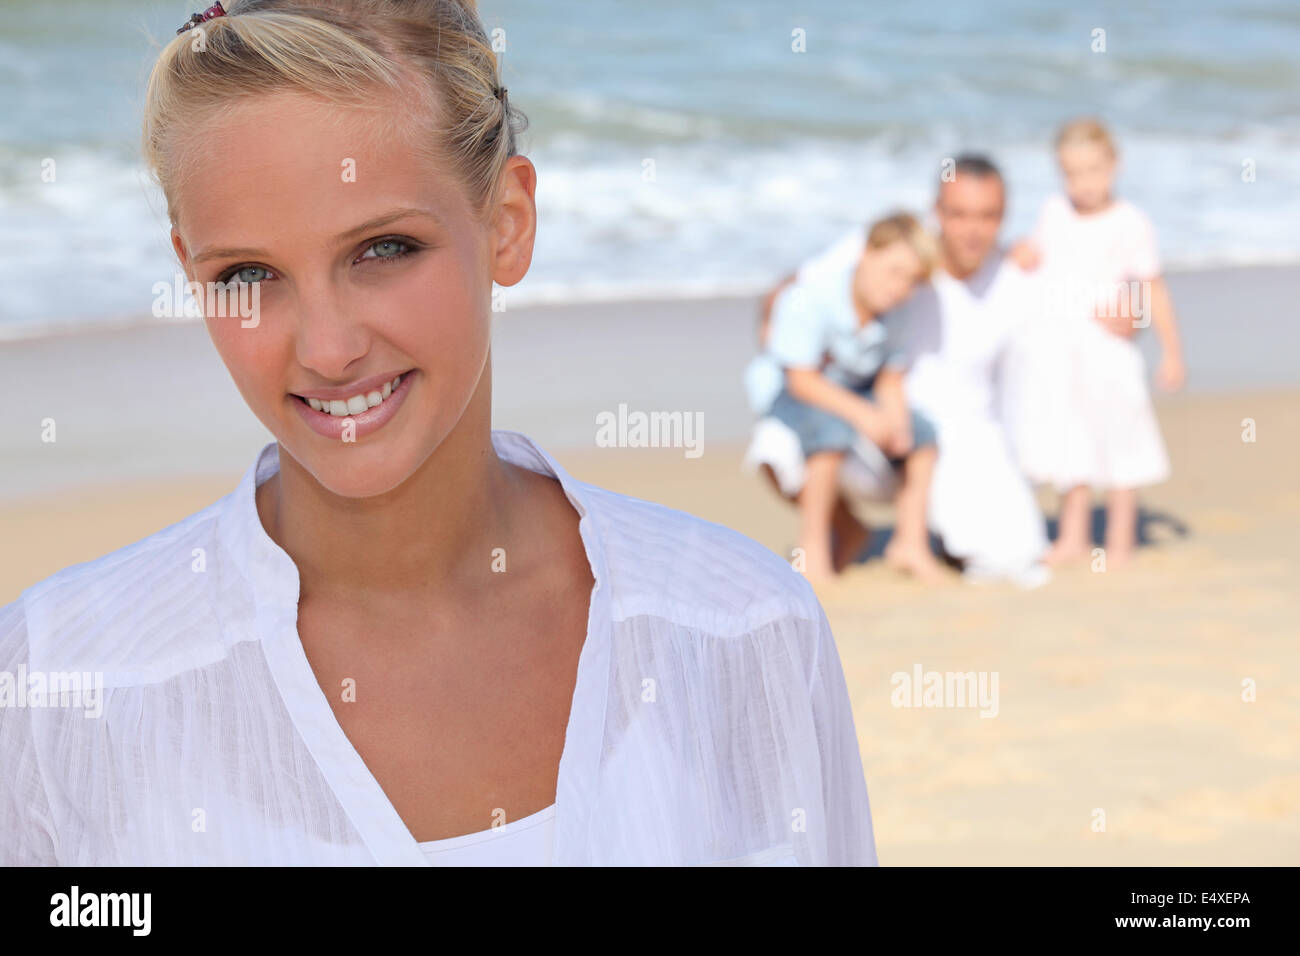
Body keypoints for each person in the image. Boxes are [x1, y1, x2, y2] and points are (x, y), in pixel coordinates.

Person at [0, 0, 875, 866]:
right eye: (250, 273)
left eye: (382, 250)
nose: (329, 348)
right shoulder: (60, 681)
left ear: (506, 223)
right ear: (191, 276)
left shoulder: (741, 628)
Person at [1007, 118, 1187, 568]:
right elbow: (1036, 259)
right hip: (1060, 351)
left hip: (1109, 351)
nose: (1083, 183)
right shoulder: (1053, 211)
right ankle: (1074, 536)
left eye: (1093, 170)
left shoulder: (1130, 222)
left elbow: (1152, 289)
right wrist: (1021, 255)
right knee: (1072, 443)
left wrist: (1168, 350)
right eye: (1071, 172)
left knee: (1120, 441)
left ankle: (1121, 539)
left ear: (1115, 165)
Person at [747, 213, 943, 584]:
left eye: (912, 280)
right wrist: (864, 415)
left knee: (924, 434)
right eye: (894, 272)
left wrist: (895, 420)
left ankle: (911, 542)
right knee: (831, 433)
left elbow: (889, 377)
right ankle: (814, 549)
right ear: (867, 252)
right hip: (792, 392)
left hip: (855, 391)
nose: (900, 287)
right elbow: (801, 380)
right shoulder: (809, 297)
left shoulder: (897, 311)